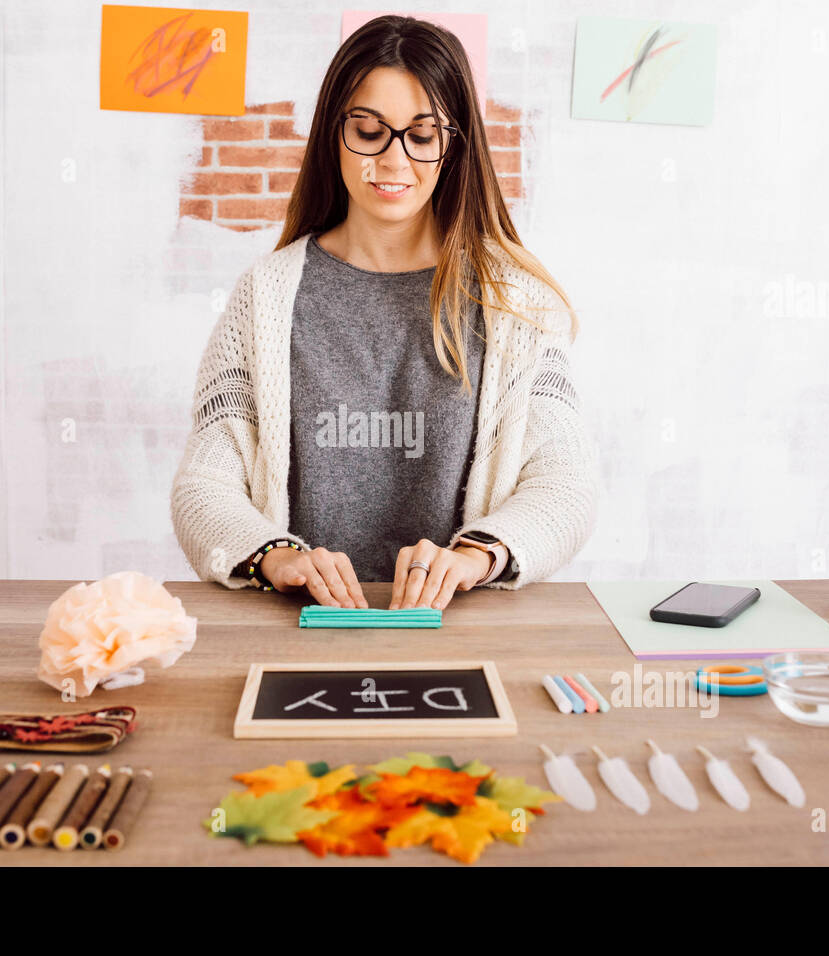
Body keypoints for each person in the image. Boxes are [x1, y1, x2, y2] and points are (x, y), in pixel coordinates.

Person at [171, 15, 597, 610]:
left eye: (421, 136)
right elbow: (203, 488)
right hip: (299, 629)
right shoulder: (264, 295)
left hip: (462, 627)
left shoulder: (514, 302)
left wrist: (476, 557)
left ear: (453, 145)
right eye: (369, 131)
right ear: (332, 133)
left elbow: (565, 485)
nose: (394, 160)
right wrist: (274, 557)